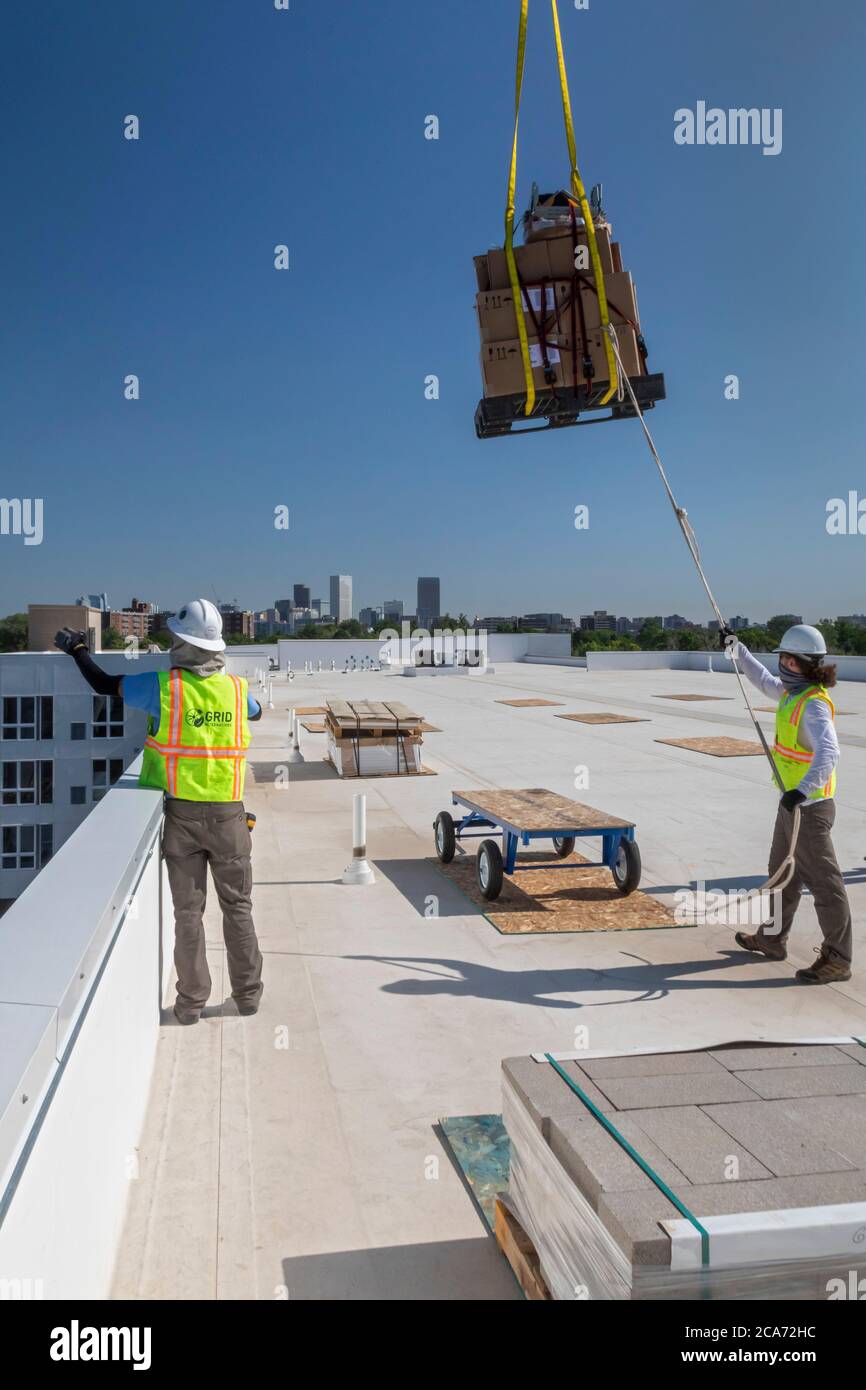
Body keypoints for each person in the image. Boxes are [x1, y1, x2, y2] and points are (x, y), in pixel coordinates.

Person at [55, 599, 264, 1023]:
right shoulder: (239, 691)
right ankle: (248, 997)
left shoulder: (162, 688)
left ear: (181, 645)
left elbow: (102, 684)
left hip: (182, 819)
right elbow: (256, 713)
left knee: (189, 915)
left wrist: (77, 650)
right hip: (230, 817)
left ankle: (190, 1004)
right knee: (238, 907)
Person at [723, 623, 852, 984]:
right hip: (792, 806)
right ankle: (772, 939)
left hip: (810, 809)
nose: (782, 665)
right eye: (781, 658)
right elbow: (763, 680)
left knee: (826, 885)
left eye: (789, 660)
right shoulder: (792, 693)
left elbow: (830, 752)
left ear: (806, 665)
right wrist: (739, 650)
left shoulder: (813, 705)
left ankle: (838, 959)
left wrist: (803, 790)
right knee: (782, 873)